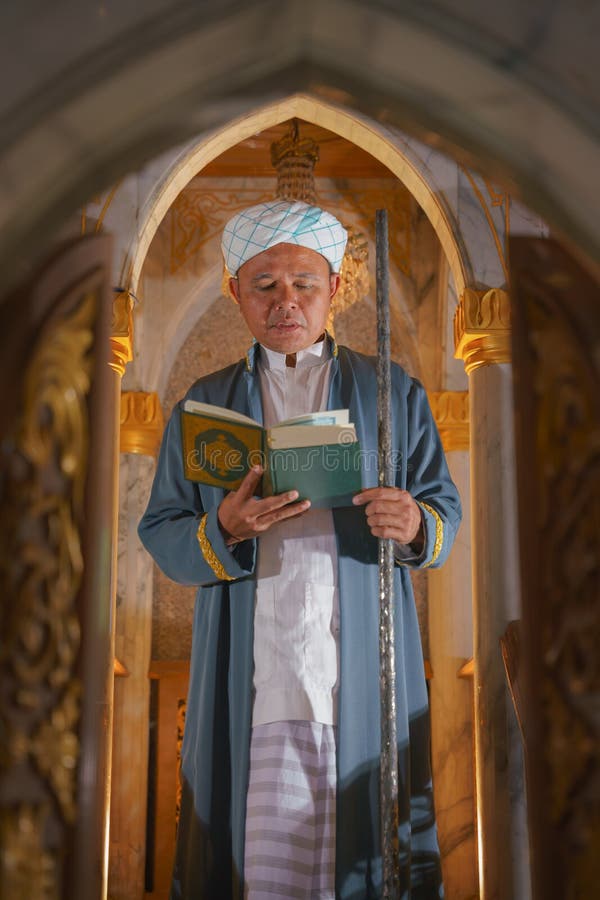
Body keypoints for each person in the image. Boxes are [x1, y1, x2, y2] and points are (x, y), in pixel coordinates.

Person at [138, 200, 462, 899]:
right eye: (264, 284)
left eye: (303, 283)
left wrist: (413, 522)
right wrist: (222, 527)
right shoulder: (204, 404)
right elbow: (161, 529)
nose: (285, 300)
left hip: (361, 664)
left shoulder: (390, 392)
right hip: (254, 669)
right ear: (236, 292)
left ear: (334, 288)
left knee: (364, 858)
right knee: (258, 865)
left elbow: (443, 510)